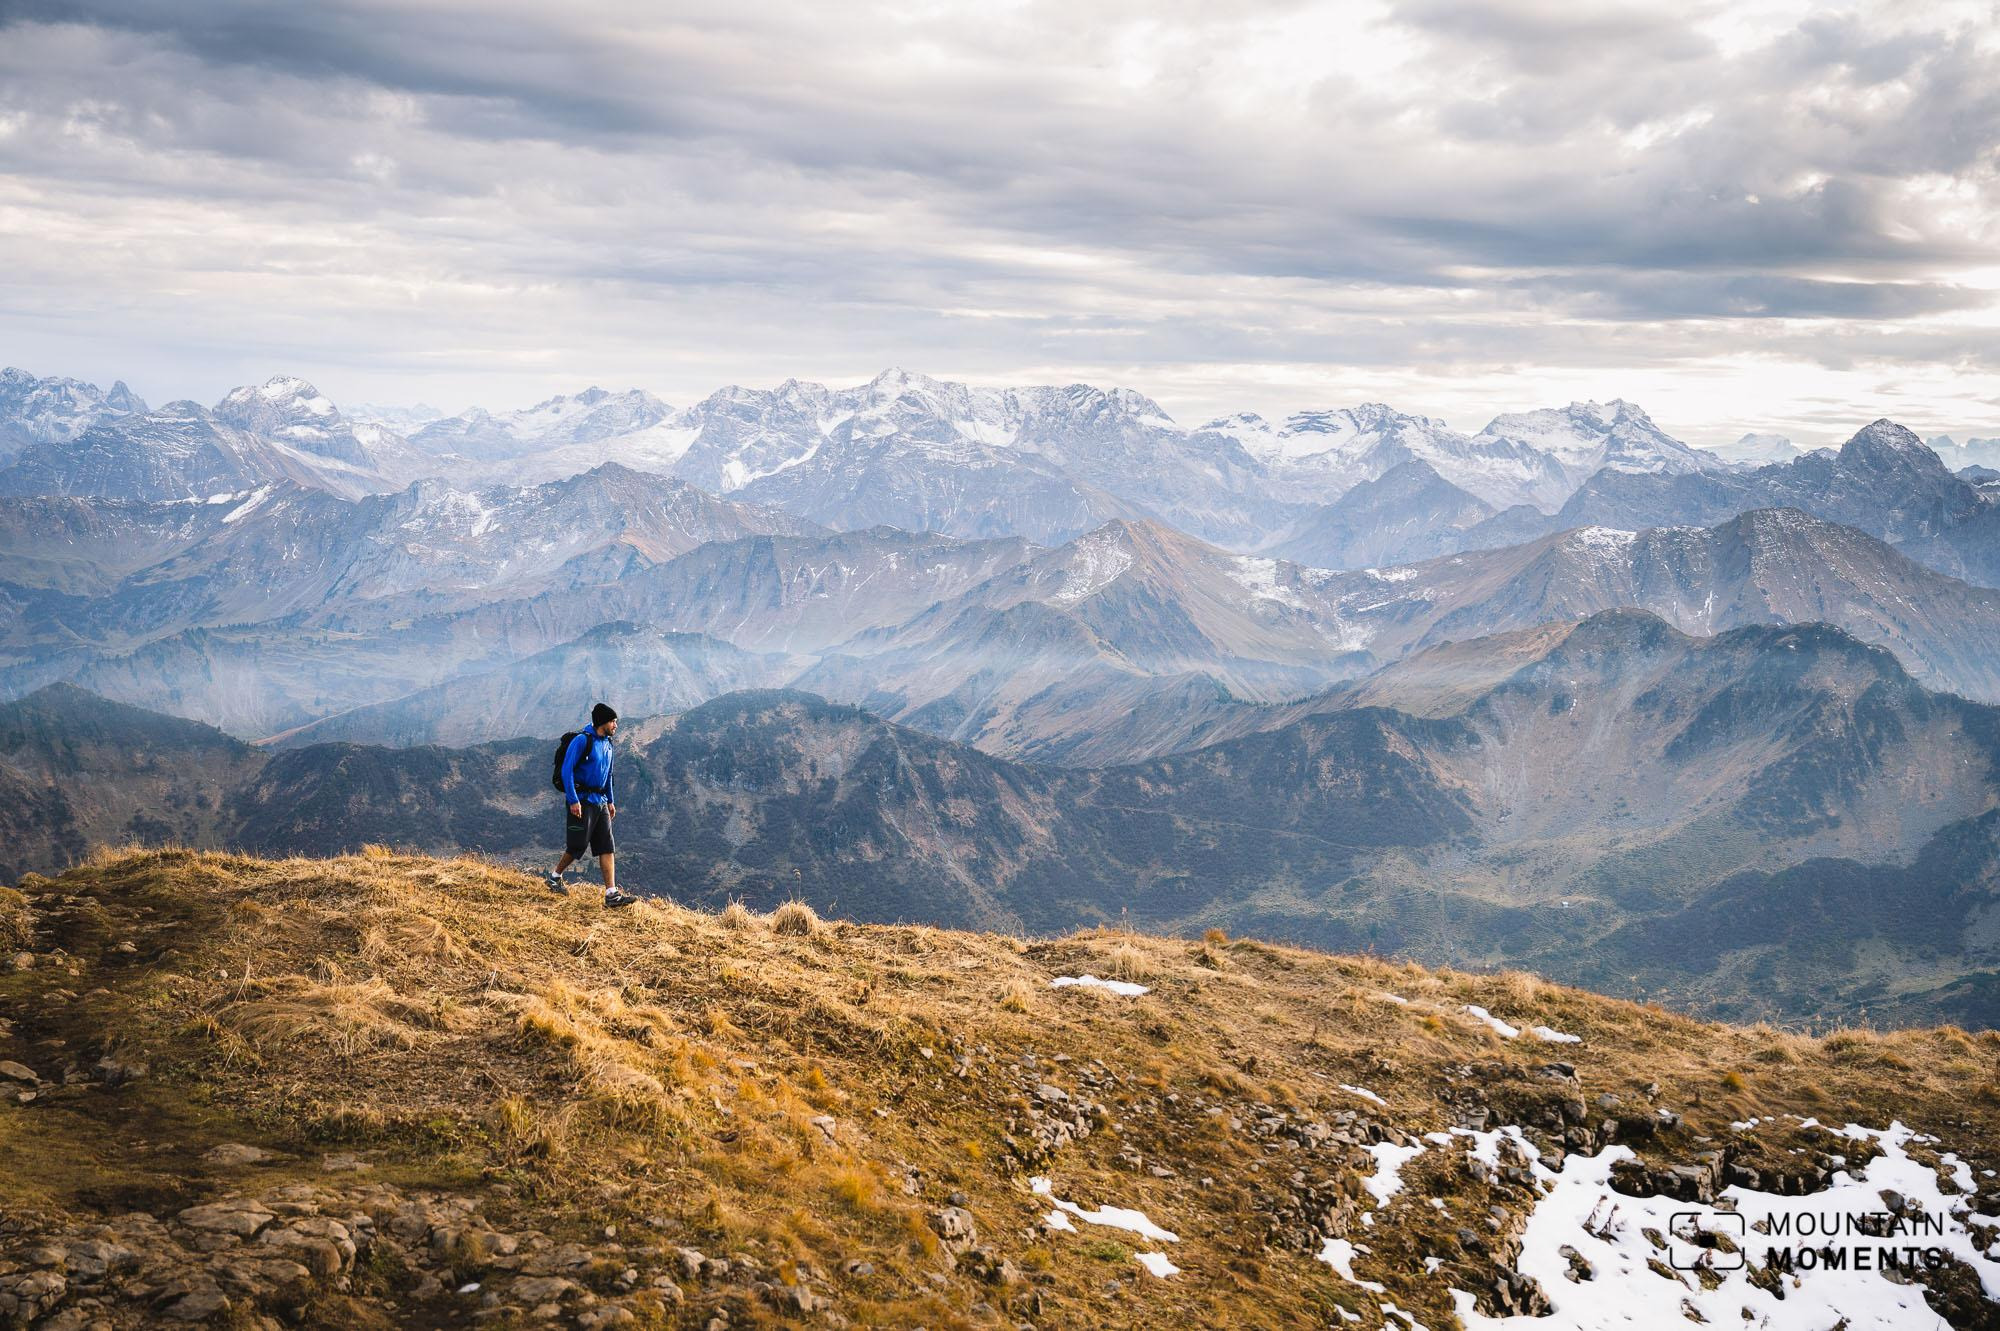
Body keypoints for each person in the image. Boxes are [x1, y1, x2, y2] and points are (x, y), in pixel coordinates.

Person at [545, 702, 636, 908]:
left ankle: (611, 894)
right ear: (602, 722)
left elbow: (608, 775)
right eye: (613, 721)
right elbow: (566, 771)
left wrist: (610, 800)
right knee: (577, 845)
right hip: (583, 800)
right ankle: (554, 877)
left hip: (601, 802)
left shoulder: (608, 743)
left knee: (606, 845)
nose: (615, 725)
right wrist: (573, 799)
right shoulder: (581, 741)